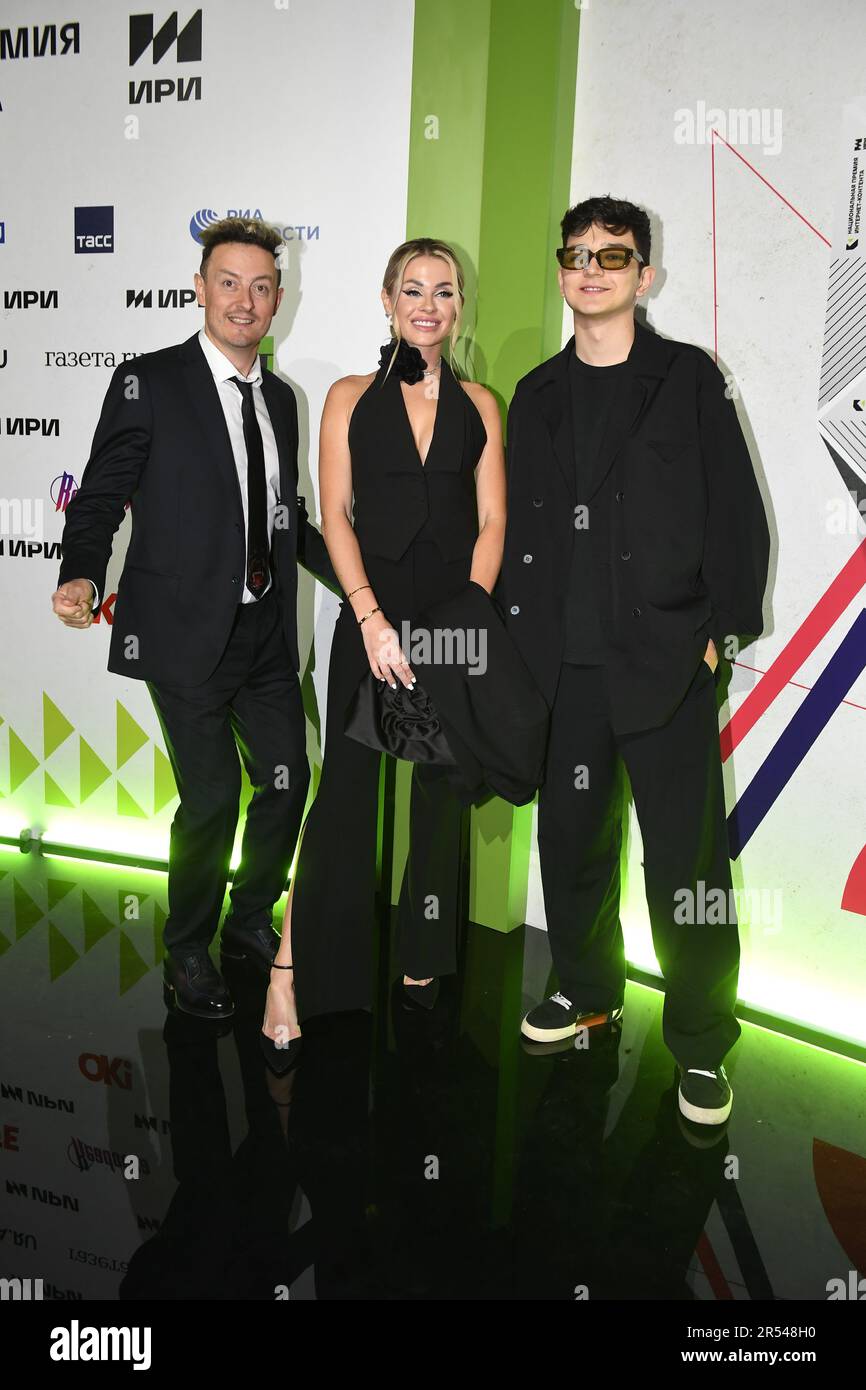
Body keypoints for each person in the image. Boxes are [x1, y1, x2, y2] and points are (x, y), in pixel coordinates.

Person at [499, 195, 770, 1125]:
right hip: (564, 671)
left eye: (612, 257)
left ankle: (700, 1039)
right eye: (575, 253)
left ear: (643, 276)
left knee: (686, 867)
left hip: (665, 665)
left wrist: (720, 630)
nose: (590, 269)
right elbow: (516, 527)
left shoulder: (688, 377)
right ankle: (586, 990)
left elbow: (735, 512)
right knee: (572, 844)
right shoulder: (535, 392)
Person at [52, 217, 337, 1021]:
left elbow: (287, 514)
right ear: (200, 288)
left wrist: (360, 584)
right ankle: (186, 947)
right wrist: (81, 571)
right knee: (212, 797)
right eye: (228, 283)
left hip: (264, 633)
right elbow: (102, 493)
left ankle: (250, 918)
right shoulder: (150, 380)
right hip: (179, 633)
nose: (244, 301)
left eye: (260, 286)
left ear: (279, 299)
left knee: (288, 779)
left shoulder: (282, 397)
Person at [262, 237, 506, 1048]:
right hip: (370, 620)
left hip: (452, 622)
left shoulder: (483, 405)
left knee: (440, 792)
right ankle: (293, 971)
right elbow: (333, 515)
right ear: (387, 297)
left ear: (460, 304)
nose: (428, 304)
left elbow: (495, 519)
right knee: (346, 796)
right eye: (413, 288)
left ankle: (422, 958)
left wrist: (467, 614)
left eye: (444, 290)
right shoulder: (347, 397)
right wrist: (369, 618)